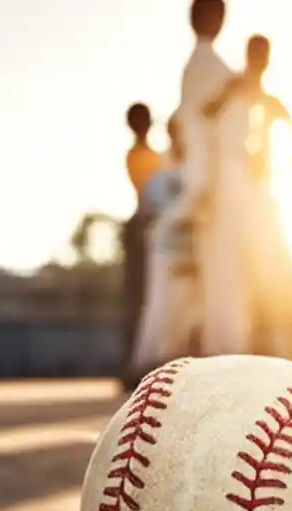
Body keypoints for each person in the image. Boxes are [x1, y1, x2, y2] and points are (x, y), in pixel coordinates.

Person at [207, 35, 292, 361]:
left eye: (264, 55)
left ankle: (270, 343)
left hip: (260, 189)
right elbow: (207, 114)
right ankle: (233, 344)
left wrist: (284, 161)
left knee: (268, 265)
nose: (259, 61)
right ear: (249, 56)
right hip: (233, 186)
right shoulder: (234, 86)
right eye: (256, 54)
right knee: (233, 264)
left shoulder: (268, 100)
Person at [178, 0, 253, 356]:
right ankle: (223, 350)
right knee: (221, 269)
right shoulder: (204, 63)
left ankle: (227, 347)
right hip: (215, 176)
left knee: (228, 269)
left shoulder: (203, 63)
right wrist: (205, 184)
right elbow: (203, 118)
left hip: (222, 174)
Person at [130, 114, 201, 378]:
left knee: (189, 309)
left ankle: (179, 364)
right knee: (161, 305)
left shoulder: (195, 165)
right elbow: (153, 205)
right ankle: (149, 365)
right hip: (165, 248)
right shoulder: (162, 168)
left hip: (190, 247)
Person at [120, 102, 161, 390]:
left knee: (146, 301)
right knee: (139, 300)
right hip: (143, 230)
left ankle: (142, 363)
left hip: (152, 229)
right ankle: (135, 364)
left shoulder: (151, 155)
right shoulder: (139, 155)